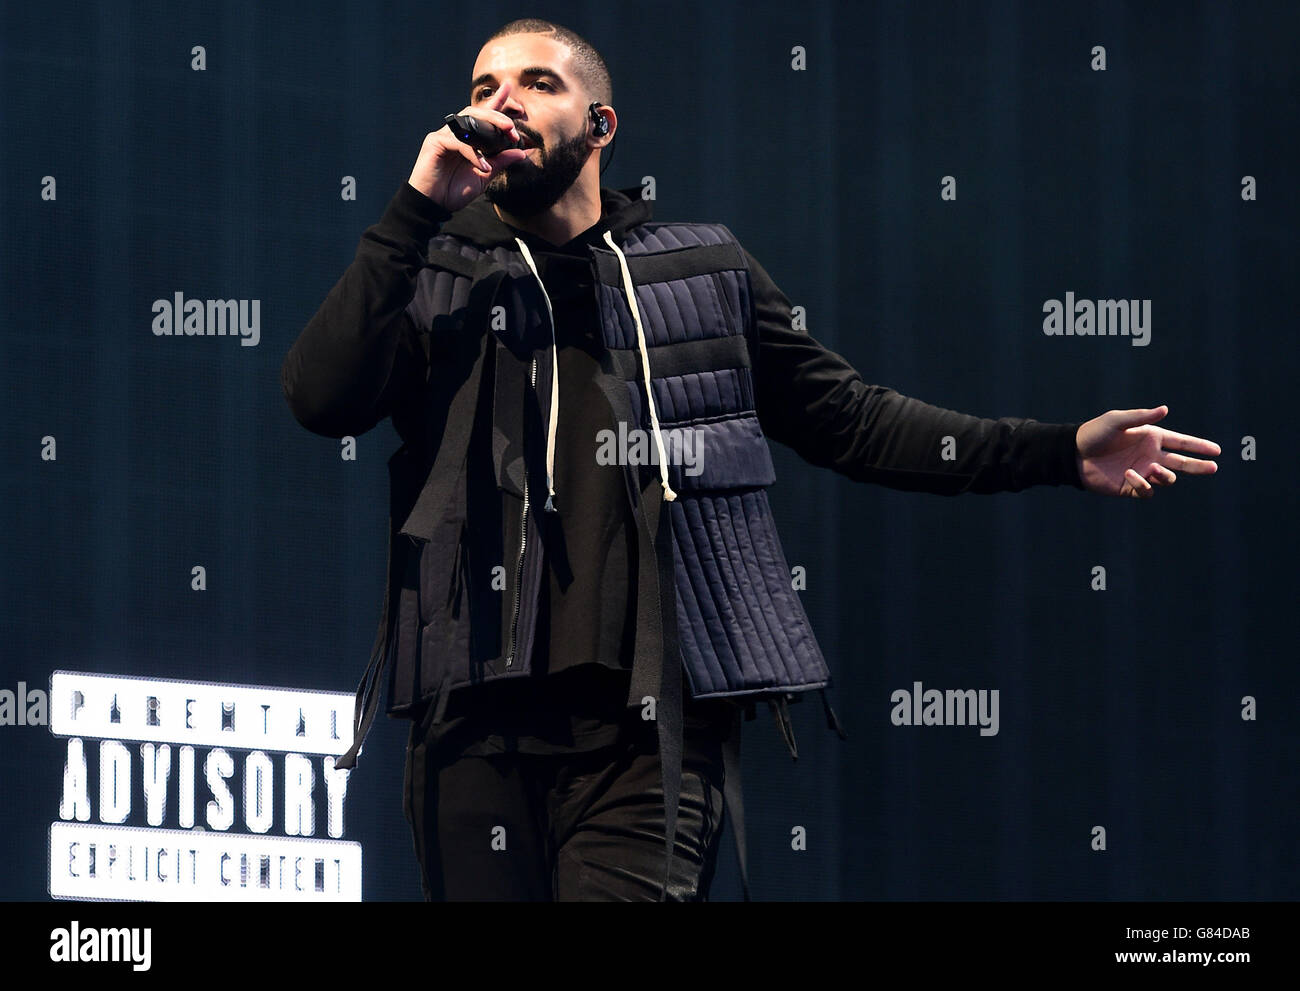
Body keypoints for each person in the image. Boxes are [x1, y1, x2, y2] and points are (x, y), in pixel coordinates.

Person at [280, 18, 1221, 902]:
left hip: (651, 734)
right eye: (485, 84)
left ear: (601, 123)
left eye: (537, 81)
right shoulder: (436, 270)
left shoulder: (705, 268)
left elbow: (852, 419)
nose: (504, 100)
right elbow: (321, 399)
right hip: (469, 723)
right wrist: (414, 209)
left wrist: (1056, 450)